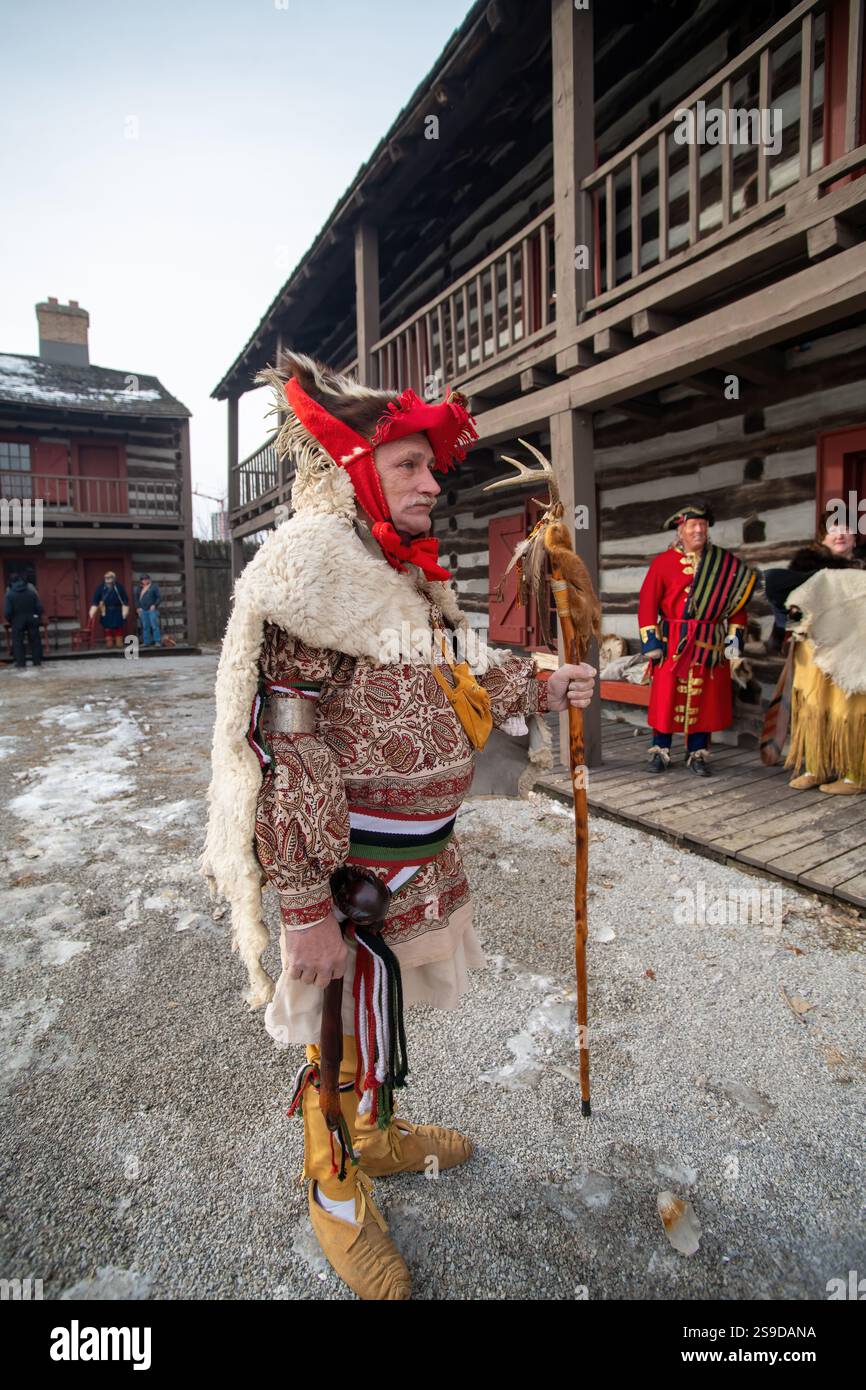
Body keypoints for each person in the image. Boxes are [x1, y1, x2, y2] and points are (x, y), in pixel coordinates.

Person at [200, 352, 596, 1301]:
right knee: (331, 1032)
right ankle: (334, 1187)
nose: (434, 479)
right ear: (355, 468)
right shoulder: (309, 574)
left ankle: (375, 1137)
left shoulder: (396, 570)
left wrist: (541, 681)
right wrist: (301, 904)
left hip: (416, 862)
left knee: (380, 1021)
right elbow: (282, 749)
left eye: (433, 464)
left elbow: (447, 685)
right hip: (342, 871)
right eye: (412, 464)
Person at [638, 503, 757, 776]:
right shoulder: (662, 563)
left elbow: (737, 609)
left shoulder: (725, 565)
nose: (698, 530)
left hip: (710, 645)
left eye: (702, 526)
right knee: (666, 697)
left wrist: (733, 645)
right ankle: (660, 750)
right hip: (672, 644)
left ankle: (698, 754)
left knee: (705, 700)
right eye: (692, 526)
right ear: (680, 531)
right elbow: (647, 604)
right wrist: (651, 643)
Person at [775, 513, 866, 794]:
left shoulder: (863, 569)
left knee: (848, 709)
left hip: (853, 652)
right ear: (822, 537)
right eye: (834, 529)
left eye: (847, 530)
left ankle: (854, 775)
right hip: (814, 651)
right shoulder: (805, 568)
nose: (840, 535)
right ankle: (817, 768)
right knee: (813, 707)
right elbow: (785, 606)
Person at [5, 574, 44, 668]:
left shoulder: (10, 594)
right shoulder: (31, 593)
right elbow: (39, 608)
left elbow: (8, 611)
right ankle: (37, 661)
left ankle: (21, 663)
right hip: (32, 618)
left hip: (17, 620)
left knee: (18, 641)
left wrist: (10, 620)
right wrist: (37, 616)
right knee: (35, 641)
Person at [89, 571, 129, 648]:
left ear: (114, 578)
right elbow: (96, 599)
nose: (107, 579)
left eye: (109, 577)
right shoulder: (101, 588)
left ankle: (119, 643)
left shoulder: (119, 587)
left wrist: (125, 608)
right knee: (107, 627)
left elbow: (125, 599)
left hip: (117, 610)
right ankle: (109, 644)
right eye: (106, 578)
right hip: (106, 611)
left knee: (118, 627)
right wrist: (93, 609)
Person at [135, 574, 162, 647]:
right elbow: (137, 599)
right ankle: (146, 642)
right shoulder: (139, 588)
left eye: (146, 579)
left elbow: (159, 598)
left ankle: (157, 641)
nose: (145, 580)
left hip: (151, 610)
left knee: (154, 626)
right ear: (141, 580)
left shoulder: (154, 587)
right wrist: (138, 608)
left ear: (149, 579)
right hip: (143, 610)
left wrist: (154, 605)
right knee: (145, 627)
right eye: (143, 579)